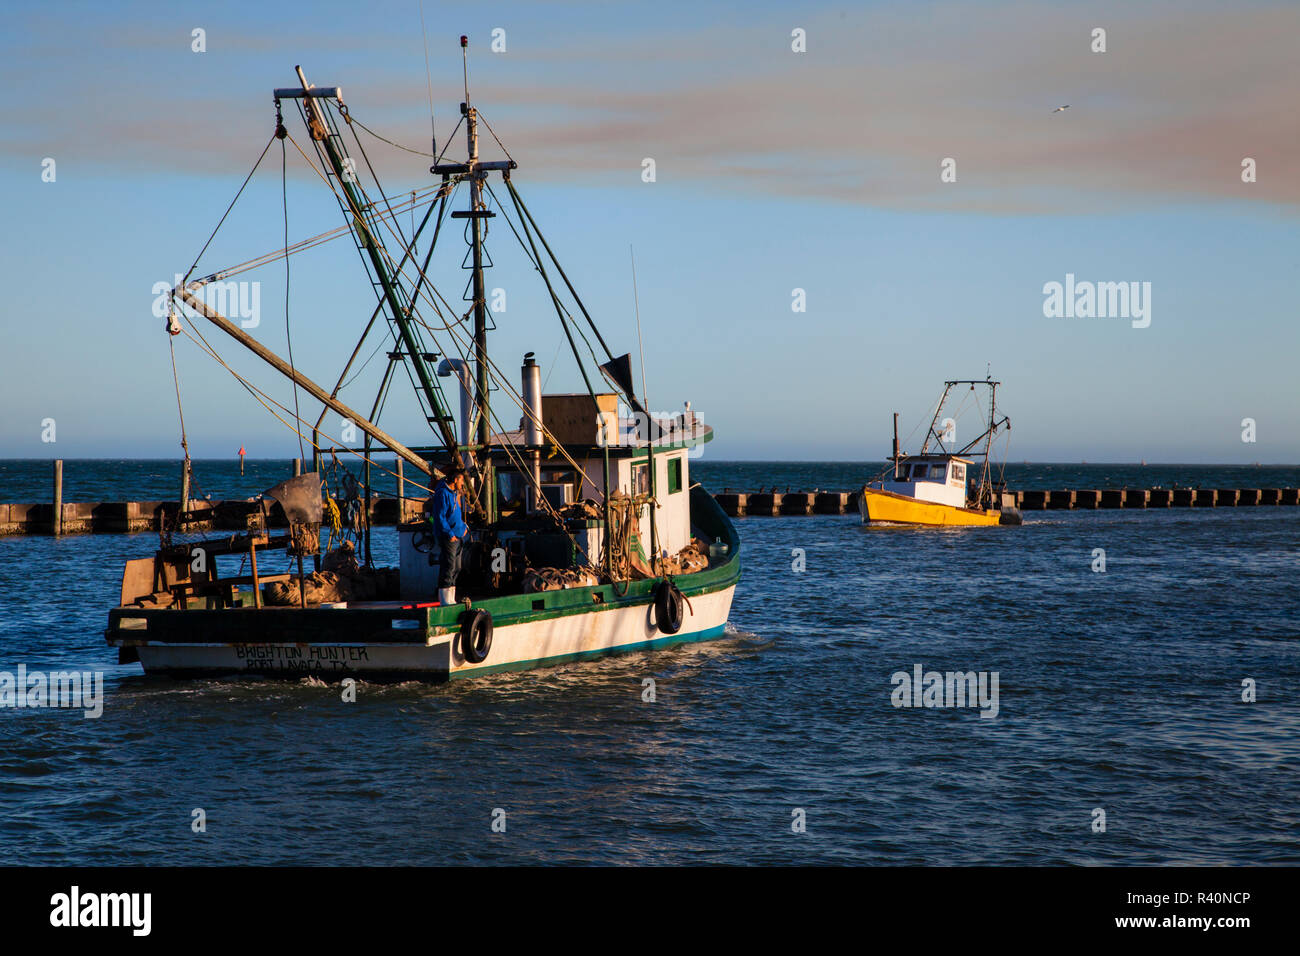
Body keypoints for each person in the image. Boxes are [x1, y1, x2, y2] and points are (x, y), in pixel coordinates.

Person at [428, 464, 469, 605]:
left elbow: (456, 515)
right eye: (461, 480)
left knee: (456, 567)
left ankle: (451, 597)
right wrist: (449, 533)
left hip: (458, 535)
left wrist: (463, 527)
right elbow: (439, 517)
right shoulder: (443, 493)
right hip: (448, 537)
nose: (463, 483)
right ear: (455, 480)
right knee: (448, 565)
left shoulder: (454, 493)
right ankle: (444, 599)